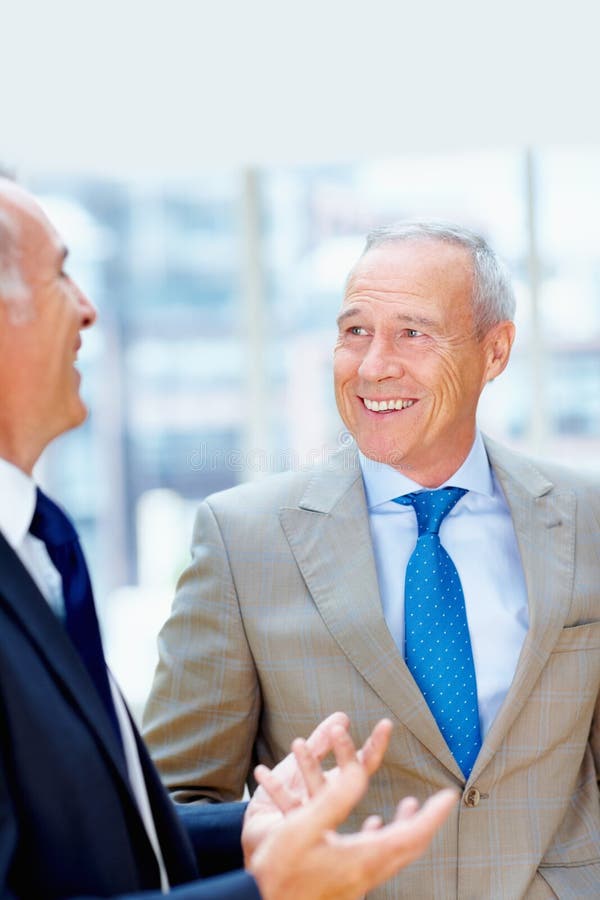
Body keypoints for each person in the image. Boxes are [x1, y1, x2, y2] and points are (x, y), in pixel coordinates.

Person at [0, 179, 458, 900]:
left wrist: (251, 830)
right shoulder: (236, 537)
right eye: (59, 275)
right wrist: (265, 891)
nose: (87, 308)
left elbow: (94, 839)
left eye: (414, 332)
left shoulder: (39, 545)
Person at [144, 221, 600, 898]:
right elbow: (170, 816)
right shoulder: (242, 540)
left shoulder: (587, 518)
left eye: (412, 332)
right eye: (355, 331)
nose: (372, 365)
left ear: (496, 350)